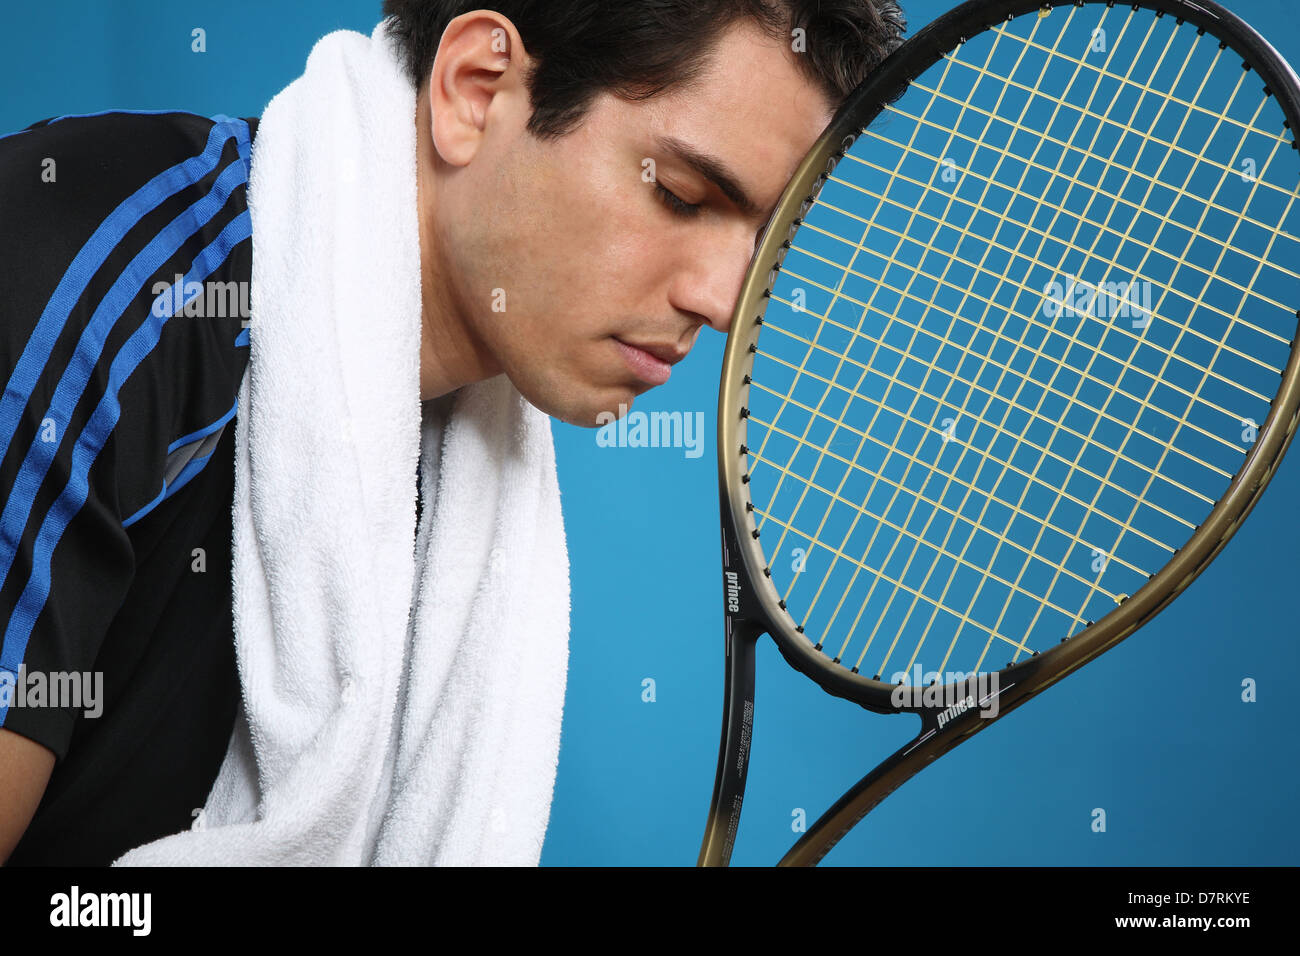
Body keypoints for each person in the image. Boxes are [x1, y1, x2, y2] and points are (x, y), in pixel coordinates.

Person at [0, 0, 906, 865]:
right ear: (475, 90)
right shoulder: (89, 286)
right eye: (678, 193)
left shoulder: (447, 464)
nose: (720, 299)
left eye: (764, 239)